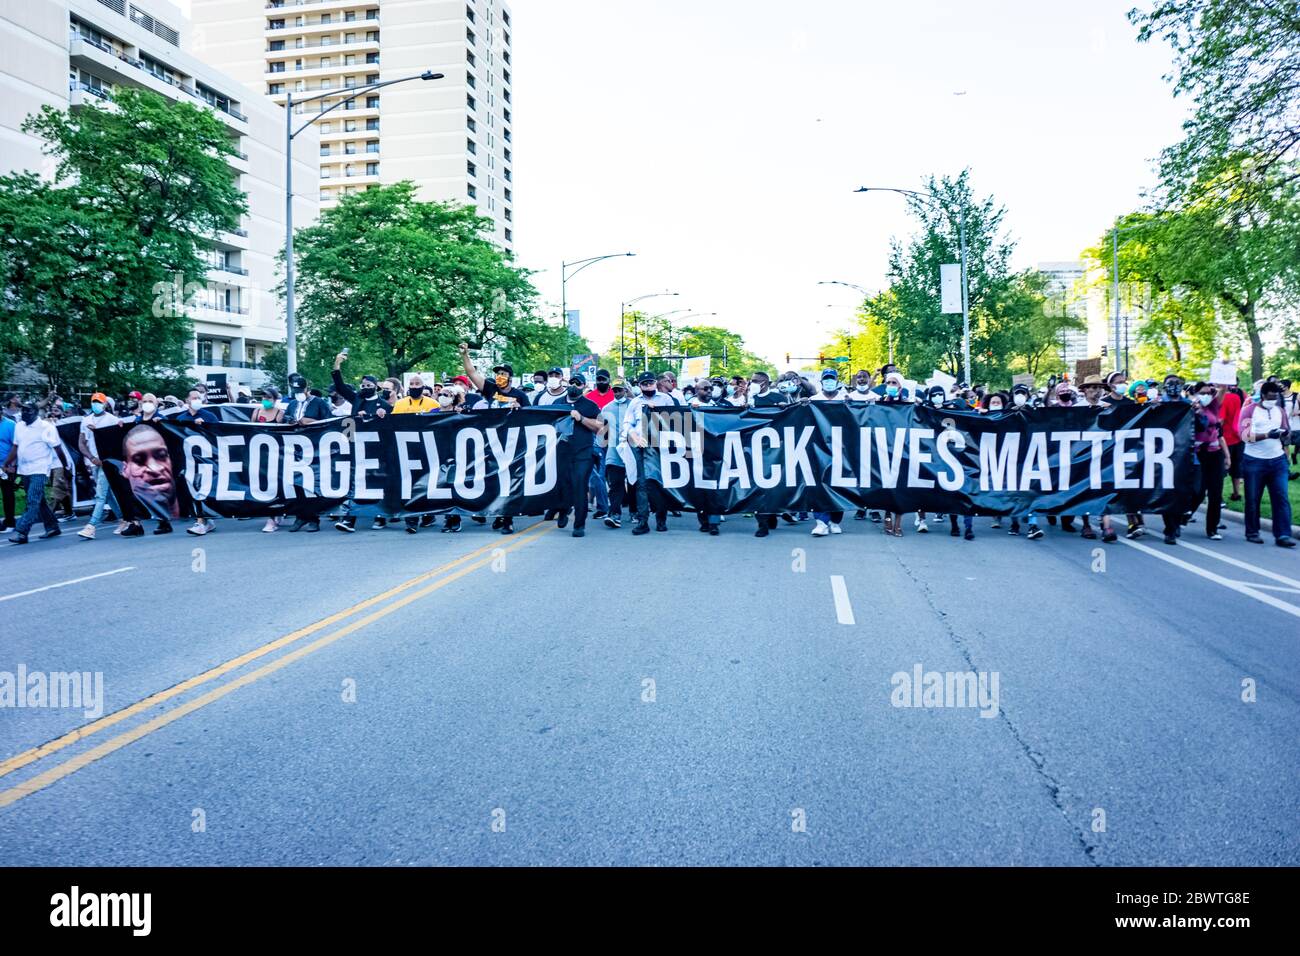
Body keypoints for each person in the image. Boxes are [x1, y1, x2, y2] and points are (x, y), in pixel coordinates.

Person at [1241, 379, 1296, 547]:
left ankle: (1283, 535)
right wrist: (1267, 435)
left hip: (1277, 460)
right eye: (1270, 396)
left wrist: (1286, 436)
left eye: (1276, 396)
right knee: (1252, 498)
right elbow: (1244, 436)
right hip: (1254, 461)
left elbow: (1287, 433)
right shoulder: (1249, 411)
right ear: (1263, 395)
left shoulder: (1280, 410)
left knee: (1281, 498)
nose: (1273, 399)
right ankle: (1252, 531)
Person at [5, 404, 69, 544]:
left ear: (36, 412)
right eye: (23, 410)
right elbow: (16, 447)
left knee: (32, 500)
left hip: (40, 469)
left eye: (28, 410)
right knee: (39, 501)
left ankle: (22, 532)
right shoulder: (19, 426)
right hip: (24, 469)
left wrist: (65, 466)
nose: (24, 413)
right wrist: (7, 463)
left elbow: (58, 449)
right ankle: (52, 527)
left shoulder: (46, 427)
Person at [624, 370, 673, 535]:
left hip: (661, 446)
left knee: (660, 482)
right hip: (640, 445)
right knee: (642, 483)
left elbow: (678, 419)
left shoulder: (665, 399)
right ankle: (643, 521)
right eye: (645, 384)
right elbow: (627, 424)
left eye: (651, 383)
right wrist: (635, 437)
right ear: (640, 386)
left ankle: (661, 519)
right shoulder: (635, 402)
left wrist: (658, 411)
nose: (648, 386)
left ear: (655, 384)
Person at [76, 392, 129, 540]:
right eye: (94, 401)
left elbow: (117, 441)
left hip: (107, 462)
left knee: (100, 494)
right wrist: (91, 458)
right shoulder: (85, 421)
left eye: (99, 402)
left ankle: (91, 526)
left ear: (105, 404)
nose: (96, 404)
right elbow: (81, 443)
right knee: (108, 495)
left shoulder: (112, 420)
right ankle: (124, 519)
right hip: (95, 462)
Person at [809, 369, 846, 536]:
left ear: (837, 381)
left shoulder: (846, 399)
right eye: (826, 379)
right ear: (821, 382)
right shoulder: (813, 400)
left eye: (832, 379)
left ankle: (835, 520)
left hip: (843, 447)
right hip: (819, 447)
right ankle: (820, 521)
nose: (829, 382)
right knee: (819, 484)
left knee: (840, 483)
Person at [599, 381, 633, 529]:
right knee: (615, 484)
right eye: (615, 390)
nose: (617, 393)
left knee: (634, 483)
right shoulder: (606, 408)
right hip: (613, 451)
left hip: (633, 450)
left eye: (620, 390)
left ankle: (635, 511)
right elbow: (602, 431)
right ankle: (614, 514)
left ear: (626, 390)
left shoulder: (634, 405)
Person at [0, 411, 14, 531]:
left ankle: (10, 522)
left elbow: (16, 445)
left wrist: (12, 464)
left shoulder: (10, 425)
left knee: (7, 494)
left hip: (6, 465)